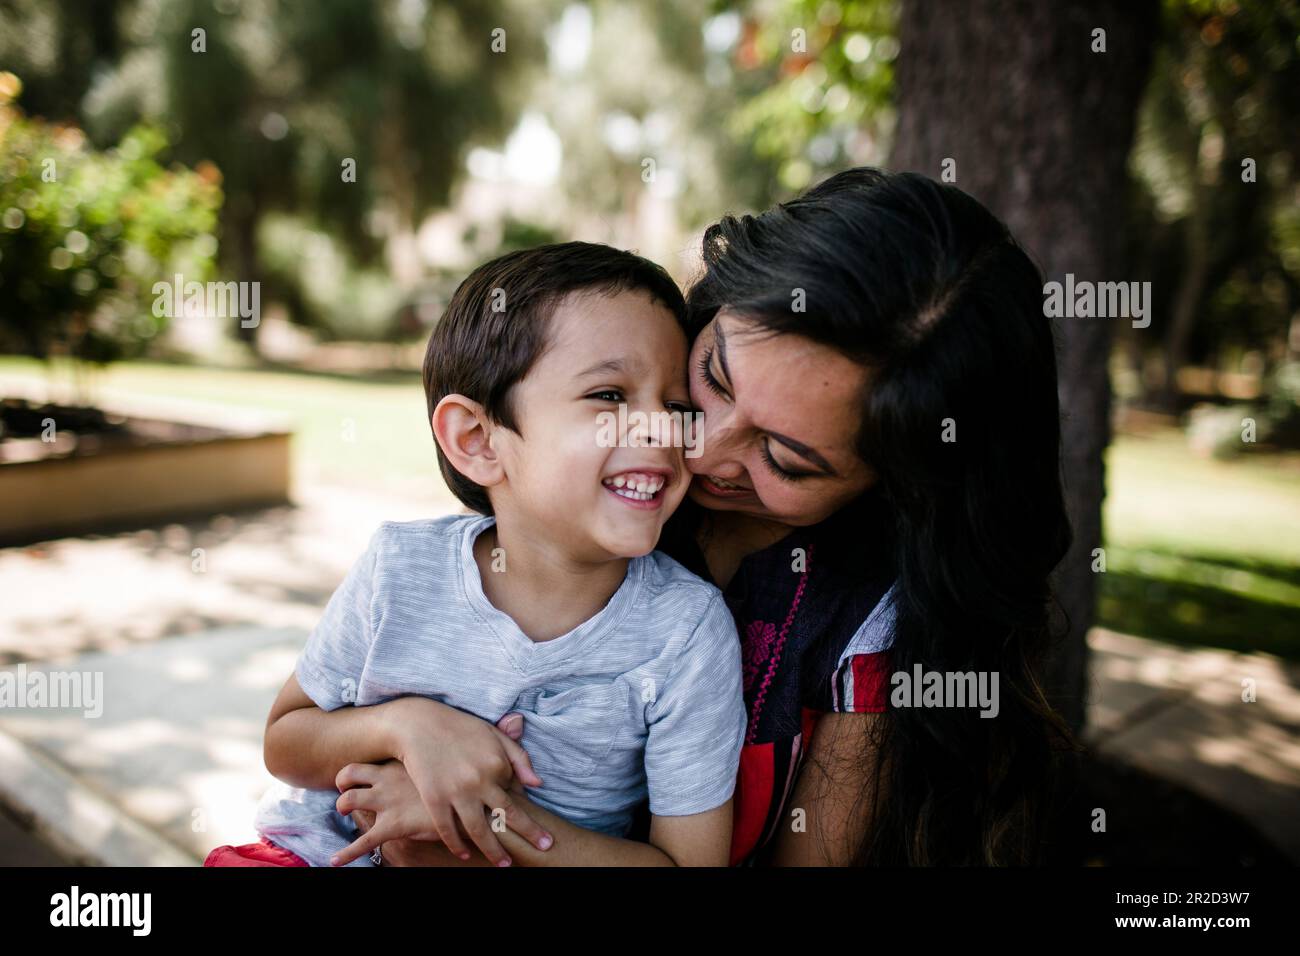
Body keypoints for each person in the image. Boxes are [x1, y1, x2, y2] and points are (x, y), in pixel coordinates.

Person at [219, 167, 1077, 867]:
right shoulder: (568, 494)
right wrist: (405, 735)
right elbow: (308, 726)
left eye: (784, 459)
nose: (691, 447)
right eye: (714, 378)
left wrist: (482, 819)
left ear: (892, 489)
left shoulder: (854, 639)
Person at [205, 241, 747, 867]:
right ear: (477, 440)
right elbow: (286, 742)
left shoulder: (685, 633)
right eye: (609, 396)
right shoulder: (399, 569)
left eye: (676, 406)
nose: (658, 428)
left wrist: (478, 810)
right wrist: (406, 727)